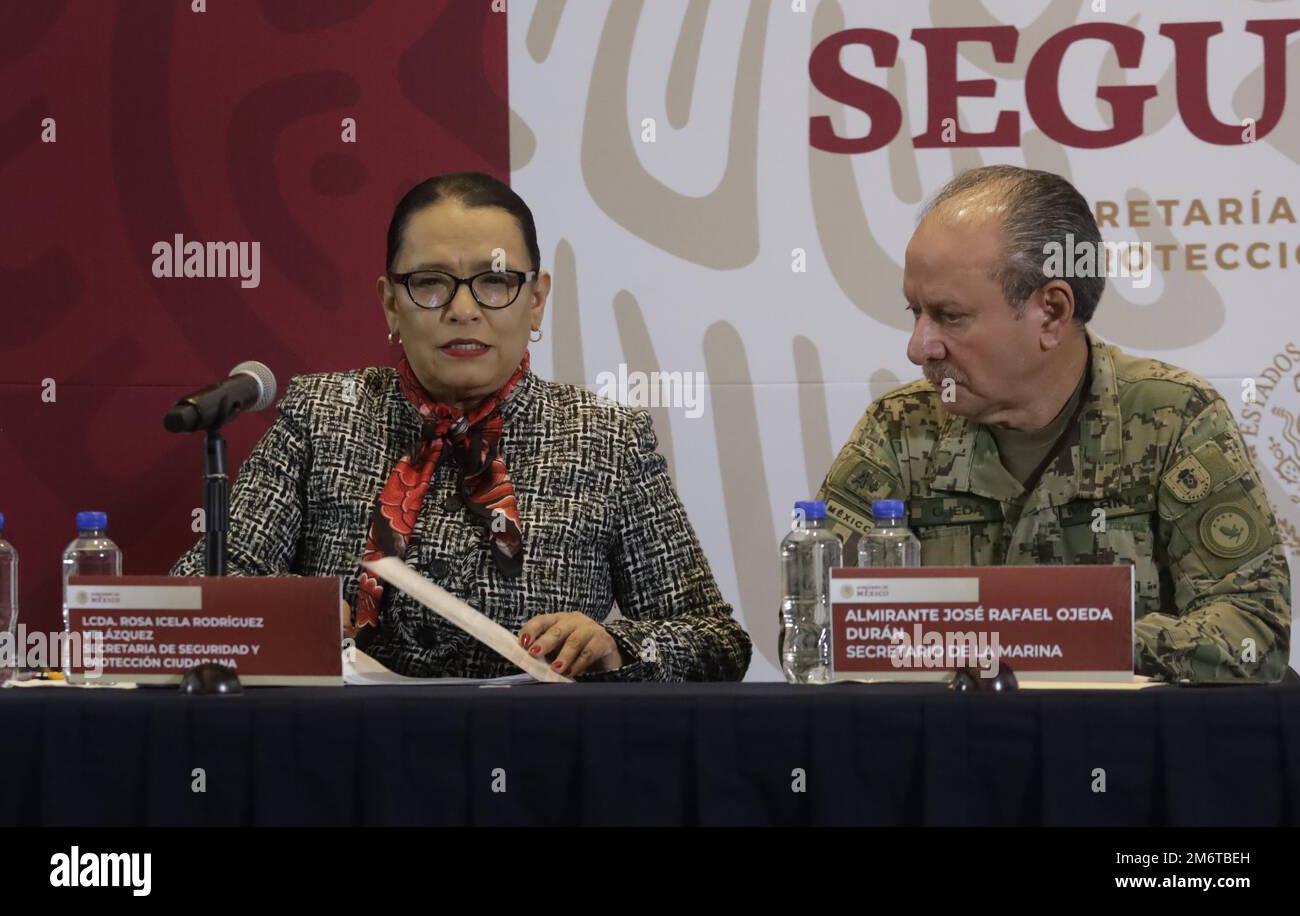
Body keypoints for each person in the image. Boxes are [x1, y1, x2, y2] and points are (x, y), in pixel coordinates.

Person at [172, 172, 751, 681]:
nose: (463, 309)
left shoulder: (606, 438)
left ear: (537, 301)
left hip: (540, 770)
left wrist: (613, 646)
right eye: (430, 282)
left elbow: (717, 642)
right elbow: (201, 591)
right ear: (390, 304)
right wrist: (289, 609)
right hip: (342, 763)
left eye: (494, 281)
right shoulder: (322, 414)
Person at [819, 165, 1291, 681]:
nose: (918, 347)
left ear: (1051, 312)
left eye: (950, 316)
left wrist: (1063, 637)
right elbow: (818, 624)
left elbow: (1253, 628)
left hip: (1117, 746)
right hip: (953, 752)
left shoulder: (1172, 417)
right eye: (915, 312)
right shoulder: (899, 428)